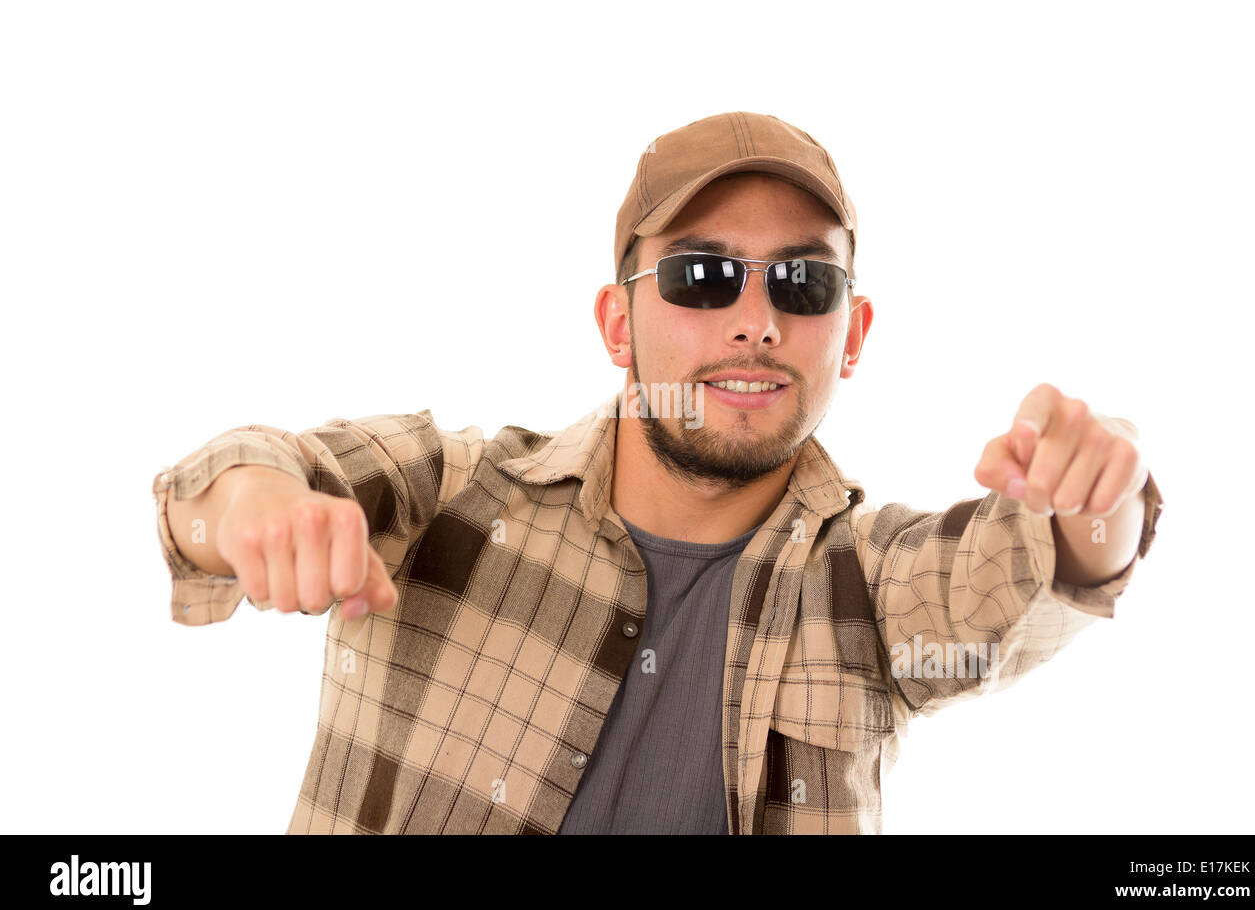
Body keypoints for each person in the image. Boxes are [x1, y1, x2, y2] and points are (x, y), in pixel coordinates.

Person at [152, 111, 1164, 834]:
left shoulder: (869, 590)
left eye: (802, 284)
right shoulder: (451, 490)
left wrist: (1100, 486)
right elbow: (231, 484)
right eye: (702, 274)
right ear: (615, 321)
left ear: (848, 335)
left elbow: (1040, 562)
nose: (755, 320)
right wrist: (249, 507)